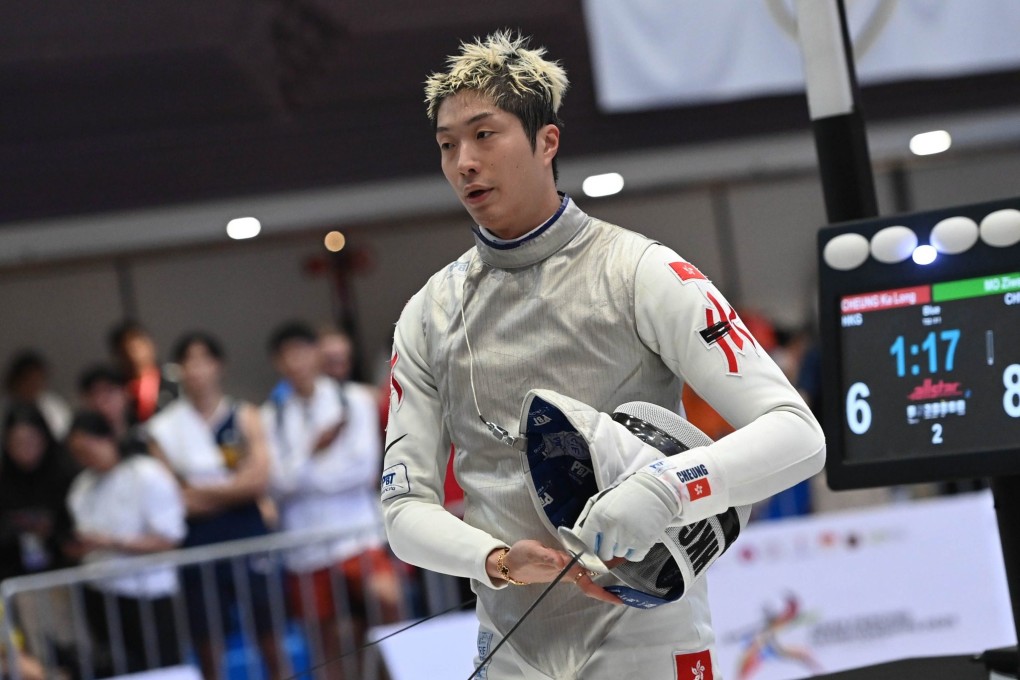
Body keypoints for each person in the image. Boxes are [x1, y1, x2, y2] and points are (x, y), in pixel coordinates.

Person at [380, 31, 825, 679]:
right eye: (448, 145)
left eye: (484, 135)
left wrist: (667, 489)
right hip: (510, 647)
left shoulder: (642, 272)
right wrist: (495, 561)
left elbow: (798, 436)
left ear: (546, 142)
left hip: (648, 637)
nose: (464, 162)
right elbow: (403, 510)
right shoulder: (429, 313)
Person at [262, 321, 399, 679]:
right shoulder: (271, 416)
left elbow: (362, 469)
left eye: (302, 352)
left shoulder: (354, 399)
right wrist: (314, 449)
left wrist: (301, 474)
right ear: (277, 363)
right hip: (305, 547)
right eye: (287, 355)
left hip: (357, 536)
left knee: (388, 605)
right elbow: (275, 483)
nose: (296, 362)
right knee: (325, 643)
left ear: (316, 354)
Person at [146, 332, 282, 680]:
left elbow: (258, 480)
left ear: (218, 365)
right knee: (208, 640)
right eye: (188, 361)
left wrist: (200, 490)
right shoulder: (164, 429)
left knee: (269, 633)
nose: (197, 369)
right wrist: (234, 488)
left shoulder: (244, 414)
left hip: (247, 532)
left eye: (204, 359)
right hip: (199, 541)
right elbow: (174, 499)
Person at [65, 410, 185, 675]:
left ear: (107, 439)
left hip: (148, 593)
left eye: (88, 448)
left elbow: (170, 539)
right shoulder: (82, 486)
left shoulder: (146, 474)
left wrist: (111, 542)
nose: (84, 457)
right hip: (101, 591)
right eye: (77, 453)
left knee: (160, 669)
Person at [0, 404, 76, 582]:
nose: (25, 449)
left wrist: (53, 532)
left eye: (31, 440)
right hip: (14, 575)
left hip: (63, 572)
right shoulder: (4, 481)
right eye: (17, 442)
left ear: (45, 438)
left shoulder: (67, 476)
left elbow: (78, 530)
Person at [107, 320, 179, 424]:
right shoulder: (117, 391)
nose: (133, 354)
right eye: (126, 349)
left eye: (138, 346)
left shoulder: (175, 378)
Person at [2, 350, 72, 439]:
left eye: (37, 381)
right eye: (28, 381)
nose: (33, 386)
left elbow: (63, 434)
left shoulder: (53, 406)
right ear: (16, 381)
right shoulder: (4, 407)